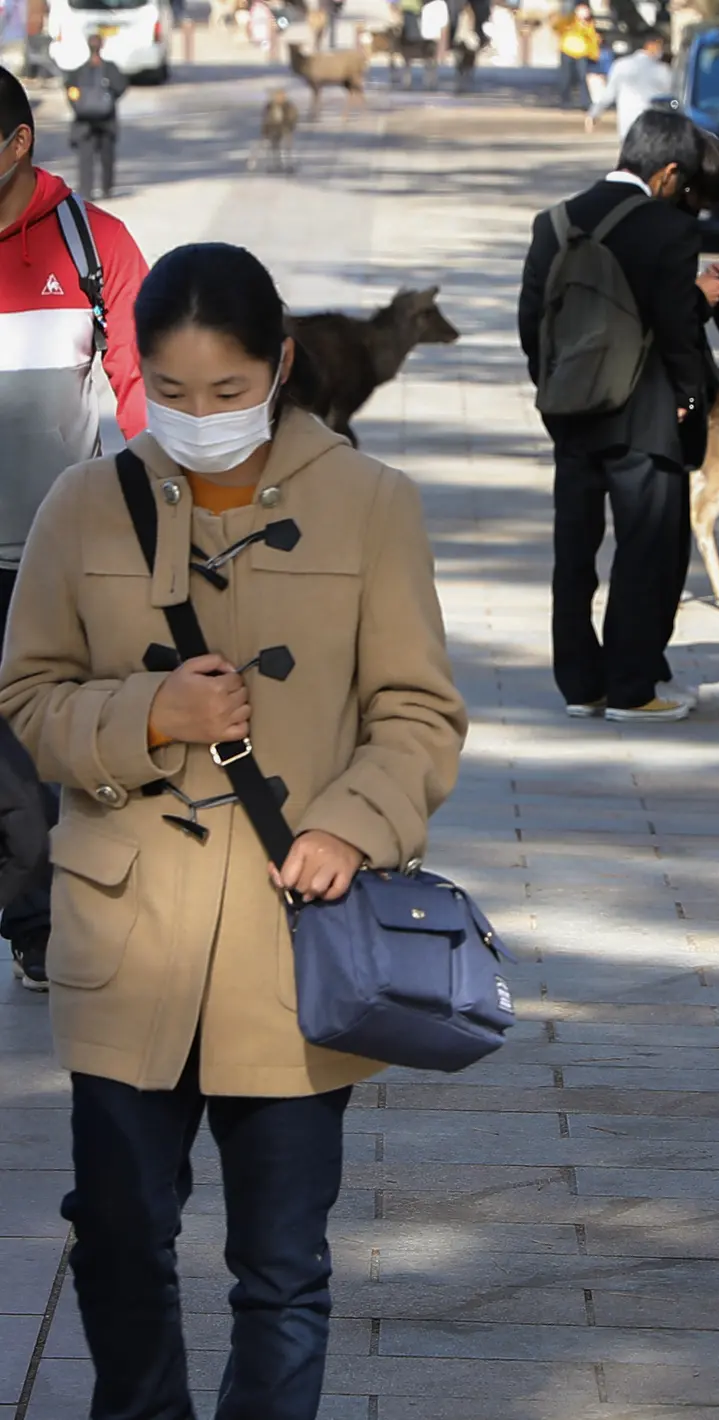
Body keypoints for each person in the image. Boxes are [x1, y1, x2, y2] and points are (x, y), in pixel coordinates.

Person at [0, 241, 466, 1420]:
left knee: (282, 1264)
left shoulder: (372, 503)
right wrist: (148, 710)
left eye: (227, 390)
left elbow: (416, 711)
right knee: (115, 1235)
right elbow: (27, 698)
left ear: (282, 365)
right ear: (136, 375)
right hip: (124, 933)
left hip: (293, 939)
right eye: (172, 392)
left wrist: (355, 826)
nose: (201, 416)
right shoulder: (81, 501)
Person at [0, 68, 150, 992]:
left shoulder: (96, 245)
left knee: (33, 742)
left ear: (16, 146)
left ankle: (39, 919)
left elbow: (141, 390)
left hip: (53, 550)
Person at [518, 110, 719, 724]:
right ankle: (633, 687)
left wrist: (557, 389)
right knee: (645, 550)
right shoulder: (665, 229)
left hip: (572, 412)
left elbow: (533, 324)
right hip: (647, 418)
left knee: (574, 550)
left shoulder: (553, 222)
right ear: (667, 173)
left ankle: (581, 684)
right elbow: (677, 335)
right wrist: (691, 404)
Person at [63, 33, 128, 200]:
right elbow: (121, 86)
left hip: (84, 122)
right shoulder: (110, 69)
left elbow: (70, 91)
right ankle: (106, 189)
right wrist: (109, 100)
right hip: (107, 120)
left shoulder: (78, 72)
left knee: (85, 158)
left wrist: (79, 107)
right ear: (102, 46)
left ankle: (87, 190)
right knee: (107, 157)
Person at [591, 29, 673, 140]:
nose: (661, 50)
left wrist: (594, 113)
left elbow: (609, 94)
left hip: (627, 128)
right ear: (651, 45)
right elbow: (673, 99)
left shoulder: (620, 65)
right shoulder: (663, 70)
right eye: (660, 45)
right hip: (655, 129)